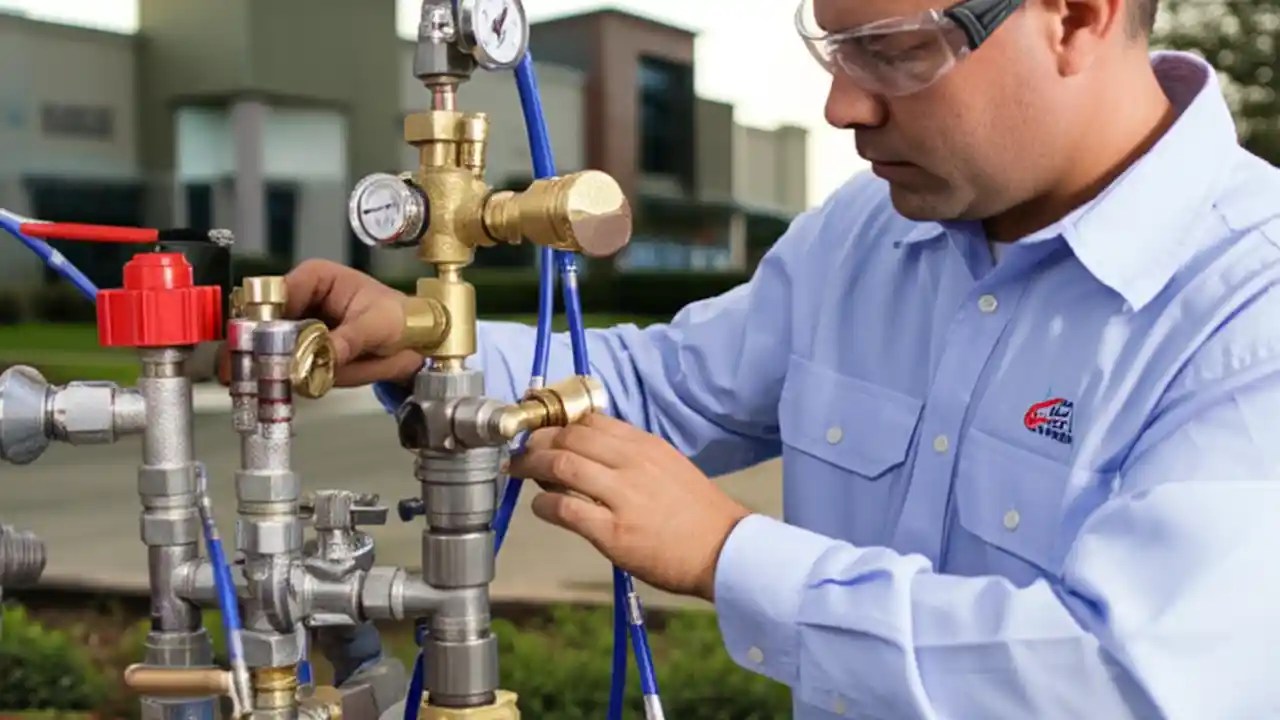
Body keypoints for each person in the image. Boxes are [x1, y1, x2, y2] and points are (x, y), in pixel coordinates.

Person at [241, 0, 1280, 716]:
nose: (843, 107)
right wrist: (425, 342)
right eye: (831, 51)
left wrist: (728, 554)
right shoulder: (865, 234)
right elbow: (658, 389)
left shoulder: (1246, 304)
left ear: (1076, 18)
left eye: (891, 51)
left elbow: (1132, 682)